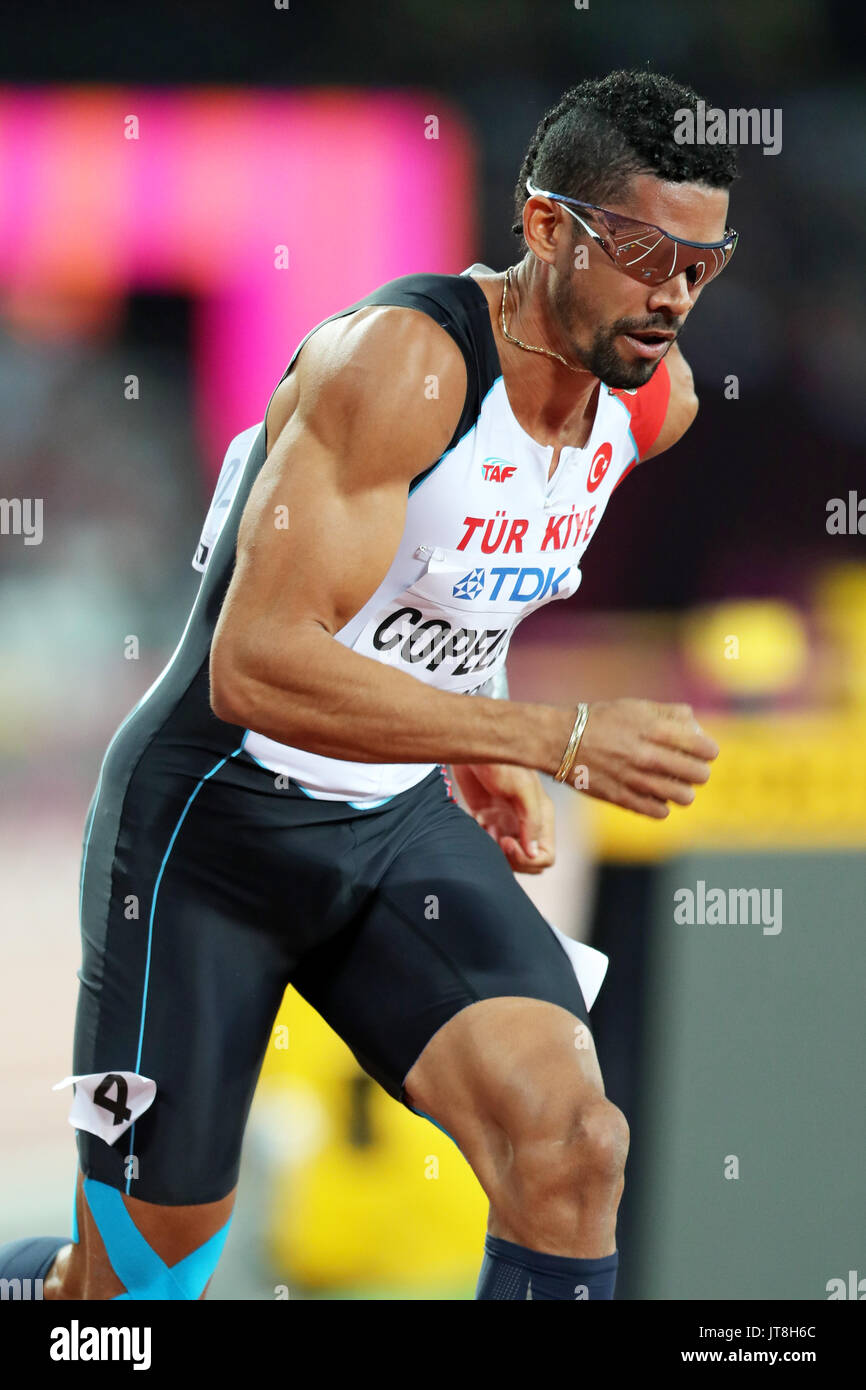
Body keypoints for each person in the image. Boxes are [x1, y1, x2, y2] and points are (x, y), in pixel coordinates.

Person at [1, 68, 737, 1301]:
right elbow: (255, 663)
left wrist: (476, 735)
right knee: (133, 1291)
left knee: (573, 1149)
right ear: (546, 225)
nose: (671, 294)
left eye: (701, 266)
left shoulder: (649, 404)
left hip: (391, 830)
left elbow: (453, 582)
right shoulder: (400, 365)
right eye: (645, 252)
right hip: (210, 832)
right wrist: (545, 733)